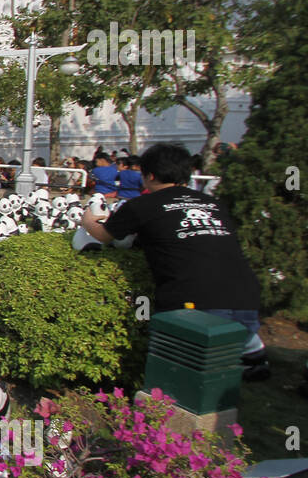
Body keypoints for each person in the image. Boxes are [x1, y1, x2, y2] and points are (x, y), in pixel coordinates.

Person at [80, 141, 269, 380]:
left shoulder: (142, 205)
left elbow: (104, 235)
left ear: (149, 175)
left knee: (184, 367)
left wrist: (88, 220)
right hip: (246, 294)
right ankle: (252, 354)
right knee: (234, 337)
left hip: (193, 299)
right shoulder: (213, 204)